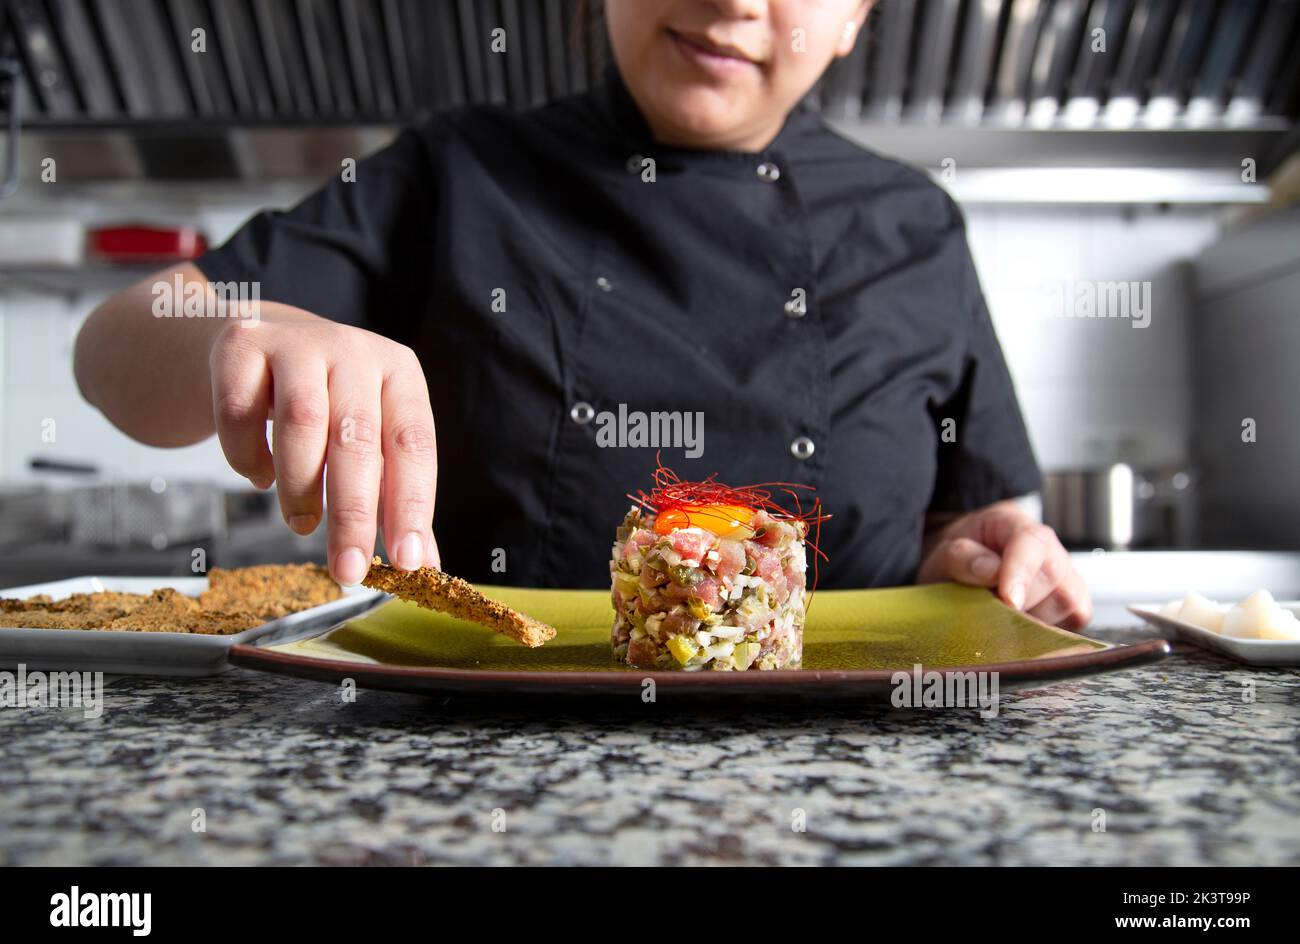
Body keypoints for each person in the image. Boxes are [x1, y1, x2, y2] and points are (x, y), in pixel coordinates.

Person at [74, 0, 1091, 629]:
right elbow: (115, 343)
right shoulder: (457, 173)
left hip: (856, 779)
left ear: (856, 15)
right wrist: (237, 329)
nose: (734, 0)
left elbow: (962, 531)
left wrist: (978, 556)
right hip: (478, 772)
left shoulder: (917, 224)